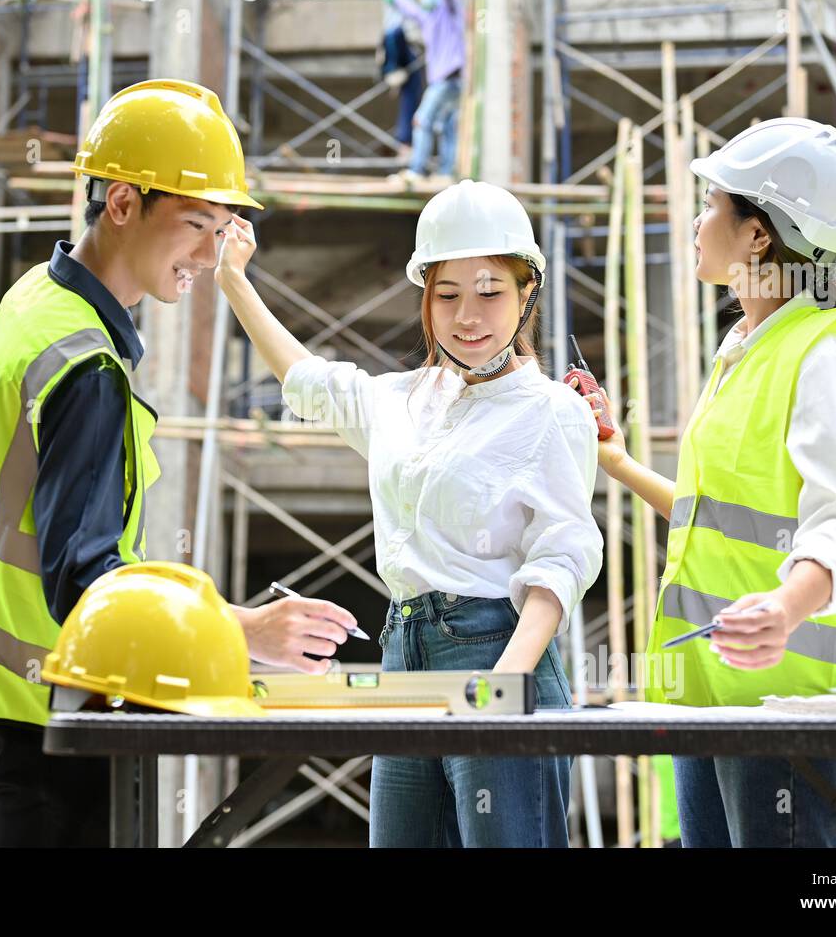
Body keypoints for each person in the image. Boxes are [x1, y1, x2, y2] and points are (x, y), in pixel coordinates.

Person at [0, 79, 362, 847]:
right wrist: (246, 628)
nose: (208, 255)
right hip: (52, 705)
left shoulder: (39, 300)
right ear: (121, 203)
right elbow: (87, 586)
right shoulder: (85, 367)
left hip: (4, 692)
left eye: (222, 230)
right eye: (195, 224)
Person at [216, 179, 602, 847]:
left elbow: (564, 559)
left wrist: (504, 684)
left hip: (497, 650)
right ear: (425, 299)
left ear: (526, 294)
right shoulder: (401, 400)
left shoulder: (551, 411)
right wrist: (232, 282)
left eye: (490, 293)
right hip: (405, 651)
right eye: (447, 295)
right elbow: (308, 380)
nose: (468, 315)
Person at [575, 117, 836, 847]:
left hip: (781, 705)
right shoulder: (748, 346)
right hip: (707, 690)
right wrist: (618, 462)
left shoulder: (823, 354)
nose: (695, 219)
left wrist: (785, 607)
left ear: (759, 234)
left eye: (712, 201)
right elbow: (713, 518)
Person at [390, 0, 465, 184]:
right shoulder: (428, 18)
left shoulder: (448, 9)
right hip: (454, 81)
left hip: (447, 79)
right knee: (446, 126)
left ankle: (417, 170)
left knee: (422, 120)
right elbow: (409, 8)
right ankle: (445, 173)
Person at [380, 0, 425, 162]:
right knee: (395, 33)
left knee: (411, 97)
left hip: (406, 53)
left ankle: (405, 144)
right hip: (399, 49)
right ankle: (393, 70)